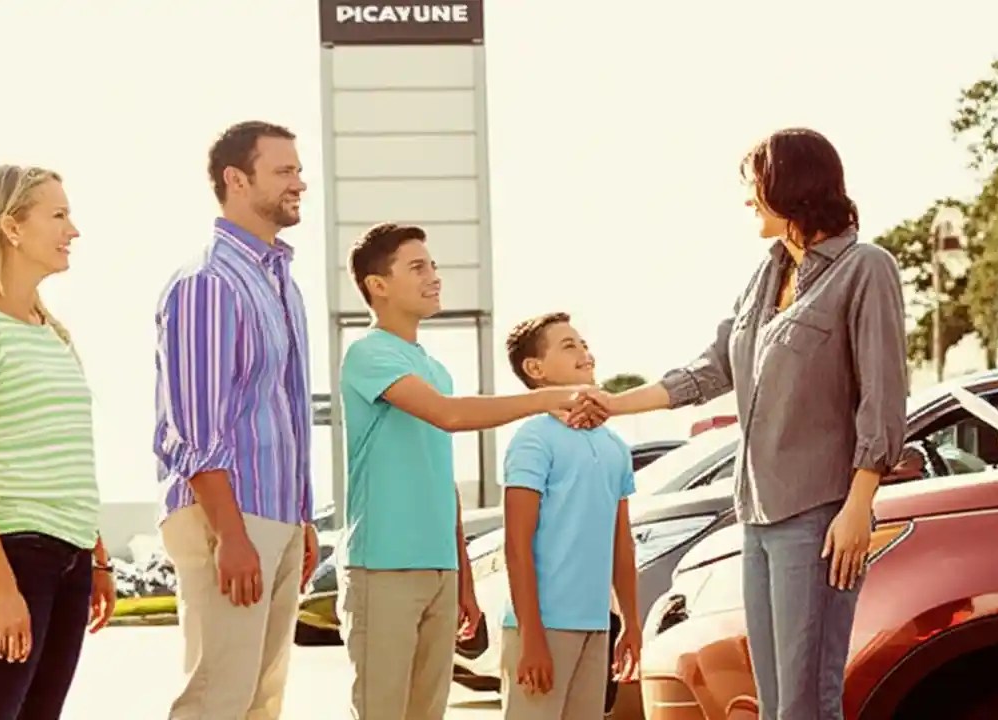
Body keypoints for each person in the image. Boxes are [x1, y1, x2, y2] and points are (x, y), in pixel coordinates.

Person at [572, 128, 908, 719]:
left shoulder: (865, 269)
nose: (747, 200)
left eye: (754, 185)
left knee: (807, 699)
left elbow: (882, 399)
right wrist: (614, 403)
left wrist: (858, 508)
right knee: (776, 699)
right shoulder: (766, 272)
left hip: (821, 517)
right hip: (757, 513)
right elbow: (712, 368)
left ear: (789, 185)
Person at [338, 223, 597, 720]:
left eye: (433, 265)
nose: (434, 276)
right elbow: (449, 415)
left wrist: (462, 581)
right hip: (383, 567)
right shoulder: (368, 354)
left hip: (439, 569)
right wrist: (550, 398)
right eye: (418, 267)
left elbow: (441, 477)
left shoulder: (433, 367)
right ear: (378, 285)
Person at [153, 121, 319, 720]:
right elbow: (196, 429)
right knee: (216, 700)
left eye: (299, 169)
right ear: (236, 179)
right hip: (229, 517)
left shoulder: (282, 284)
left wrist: (300, 518)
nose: (301, 182)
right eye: (284, 171)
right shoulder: (208, 283)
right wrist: (232, 533)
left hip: (273, 518)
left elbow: (286, 413)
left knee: (259, 703)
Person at [0, 165, 116, 720]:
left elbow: (61, 450)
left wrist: (96, 554)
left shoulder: (52, 333)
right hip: (9, 556)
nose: (74, 230)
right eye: (59, 214)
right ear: (11, 228)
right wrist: (1, 589)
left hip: (65, 558)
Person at [499, 312, 641, 719]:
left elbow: (621, 543)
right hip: (541, 628)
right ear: (535, 369)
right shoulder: (533, 439)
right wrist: (531, 637)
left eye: (584, 344)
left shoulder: (615, 446)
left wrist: (629, 623)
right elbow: (516, 544)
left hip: (596, 625)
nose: (585, 352)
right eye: (569, 345)